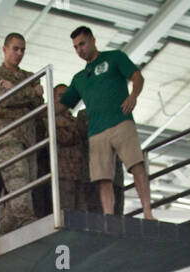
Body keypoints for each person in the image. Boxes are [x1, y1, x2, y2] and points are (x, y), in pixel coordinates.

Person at [59, 25, 154, 219]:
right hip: (96, 131)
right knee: (103, 177)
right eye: (76, 47)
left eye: (82, 44)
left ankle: (147, 211)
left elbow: (137, 76)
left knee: (136, 165)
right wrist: (37, 109)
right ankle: (109, 217)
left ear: (93, 40)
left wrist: (133, 95)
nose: (80, 50)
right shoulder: (79, 78)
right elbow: (62, 105)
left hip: (121, 120)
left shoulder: (114, 57)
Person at [0, 33, 46, 236]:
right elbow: (4, 99)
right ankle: (28, 222)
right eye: (15, 49)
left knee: (25, 184)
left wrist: (17, 90)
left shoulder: (28, 76)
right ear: (4, 49)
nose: (19, 53)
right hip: (8, 136)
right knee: (17, 180)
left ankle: (3, 231)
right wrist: (30, 92)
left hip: (29, 138)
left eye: (22, 50)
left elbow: (39, 103)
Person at [52, 83, 86, 211]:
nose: (64, 99)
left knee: (82, 215)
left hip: (79, 173)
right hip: (62, 174)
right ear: (54, 98)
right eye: (61, 95)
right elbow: (64, 138)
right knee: (66, 214)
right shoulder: (49, 118)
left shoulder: (74, 120)